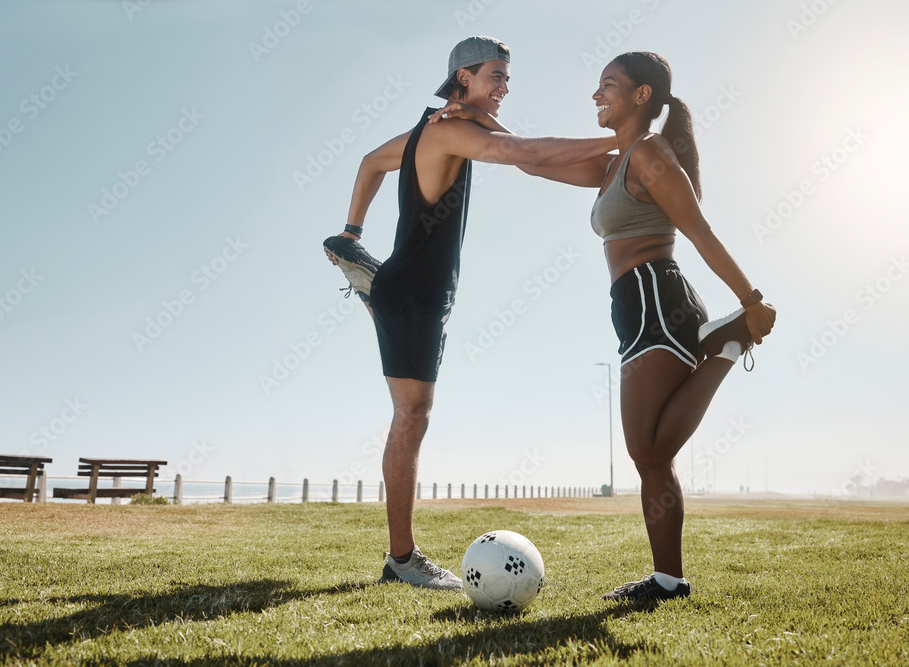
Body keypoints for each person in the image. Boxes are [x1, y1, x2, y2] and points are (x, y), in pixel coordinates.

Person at [432, 51, 777, 601]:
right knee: (651, 453)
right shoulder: (615, 163)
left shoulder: (651, 154)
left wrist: (751, 300)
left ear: (642, 96)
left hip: (656, 299)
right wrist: (476, 122)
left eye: (609, 85)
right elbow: (533, 161)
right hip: (639, 305)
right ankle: (668, 579)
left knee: (649, 453)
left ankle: (729, 346)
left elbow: (700, 230)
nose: (596, 94)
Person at [323, 36, 617, 590]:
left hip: (410, 289)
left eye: (506, 77)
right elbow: (526, 155)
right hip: (416, 294)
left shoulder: (431, 132)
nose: (505, 86)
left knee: (413, 414)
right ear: (463, 77)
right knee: (412, 417)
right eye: (496, 76)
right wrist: (621, 136)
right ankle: (402, 560)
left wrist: (352, 228)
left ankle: (369, 272)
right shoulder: (450, 131)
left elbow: (369, 163)